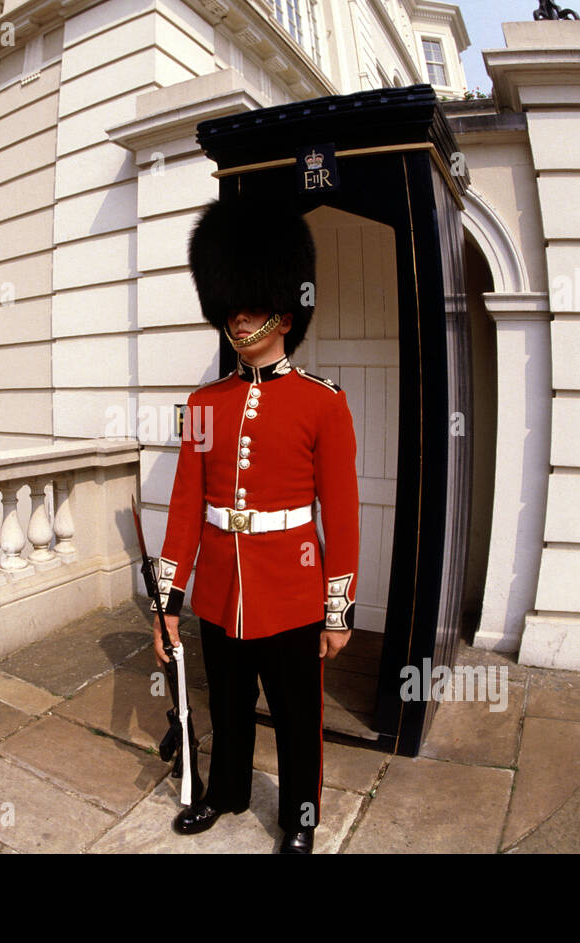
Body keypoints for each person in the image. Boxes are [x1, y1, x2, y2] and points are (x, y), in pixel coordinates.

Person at [151, 196, 360, 854]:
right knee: (229, 704)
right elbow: (186, 508)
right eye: (230, 304)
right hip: (219, 589)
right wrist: (167, 600)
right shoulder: (205, 403)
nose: (237, 316)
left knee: (299, 716)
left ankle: (300, 815)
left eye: (249, 301)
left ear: (282, 309)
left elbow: (342, 511)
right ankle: (226, 790)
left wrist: (337, 608)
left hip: (293, 591)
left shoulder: (322, 402)